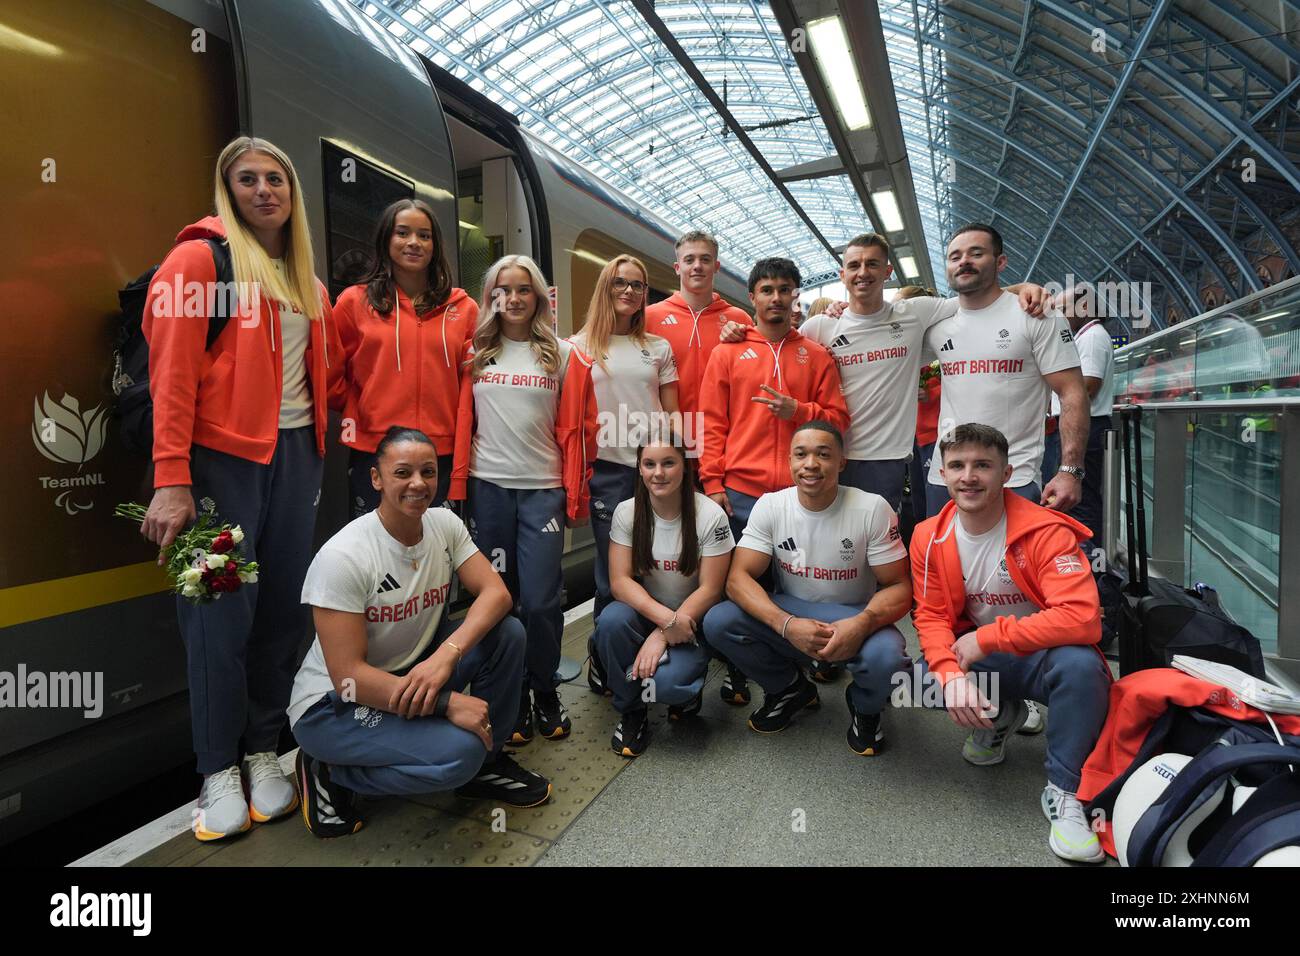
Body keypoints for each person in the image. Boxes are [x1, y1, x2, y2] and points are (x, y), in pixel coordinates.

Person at [140, 136, 344, 841]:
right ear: (229, 191)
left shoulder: (309, 284)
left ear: (293, 194)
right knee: (217, 621)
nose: (265, 190)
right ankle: (215, 770)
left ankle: (264, 751)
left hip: (295, 464)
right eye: (248, 179)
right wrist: (172, 479)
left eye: (277, 179)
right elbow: (171, 376)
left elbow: (333, 379)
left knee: (282, 616)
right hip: (217, 464)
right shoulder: (199, 261)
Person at [291, 428, 551, 837]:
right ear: (376, 479)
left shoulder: (443, 524)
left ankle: (488, 763)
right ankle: (330, 769)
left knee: (508, 634)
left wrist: (446, 654)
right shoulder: (344, 557)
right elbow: (348, 680)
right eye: (402, 472)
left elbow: (496, 594)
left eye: (428, 472)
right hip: (334, 705)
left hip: (411, 671)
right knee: (458, 756)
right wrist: (446, 704)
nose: (418, 483)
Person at [909, 423, 1110, 863]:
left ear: (1007, 473)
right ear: (941, 474)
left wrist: (989, 636)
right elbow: (931, 617)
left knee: (1081, 667)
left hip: (1041, 659)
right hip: (983, 660)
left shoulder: (1046, 532)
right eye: (958, 466)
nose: (969, 477)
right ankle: (999, 714)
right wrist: (949, 676)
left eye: (983, 465)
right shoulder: (927, 534)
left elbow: (1082, 618)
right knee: (907, 679)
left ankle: (1067, 792)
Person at [449, 255, 597, 745]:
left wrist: (574, 490)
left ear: (538, 297)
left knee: (539, 602)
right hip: (487, 488)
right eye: (502, 290)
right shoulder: (476, 354)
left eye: (522, 290)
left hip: (542, 491)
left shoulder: (564, 355)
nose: (512, 299)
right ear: (491, 297)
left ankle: (545, 690)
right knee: (497, 601)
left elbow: (580, 429)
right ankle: (506, 701)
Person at [703, 422, 912, 754]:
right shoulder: (771, 506)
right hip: (792, 614)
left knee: (888, 658)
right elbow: (737, 579)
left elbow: (900, 587)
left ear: (841, 462)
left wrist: (862, 623)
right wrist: (786, 625)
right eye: (801, 454)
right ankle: (787, 688)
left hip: (852, 619)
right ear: (789, 462)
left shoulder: (871, 509)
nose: (811, 464)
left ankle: (864, 705)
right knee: (719, 621)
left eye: (823, 454)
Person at [801, 234, 1047, 514]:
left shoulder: (915, 314)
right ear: (842, 274)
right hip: (826, 454)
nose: (863, 272)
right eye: (854, 265)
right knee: (826, 539)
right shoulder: (819, 328)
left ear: (888, 271)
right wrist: (740, 330)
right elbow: (779, 352)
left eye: (872, 264)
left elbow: (978, 296)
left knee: (873, 544)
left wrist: (1026, 287)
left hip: (885, 459)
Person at [699, 259, 849, 704]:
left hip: (804, 496)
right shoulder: (727, 353)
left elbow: (840, 420)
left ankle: (810, 656)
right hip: (743, 493)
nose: (776, 298)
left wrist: (798, 411)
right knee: (744, 590)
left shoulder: (816, 356)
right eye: (767, 290)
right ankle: (742, 670)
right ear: (753, 298)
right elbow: (711, 423)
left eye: (785, 290)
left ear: (795, 296)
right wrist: (712, 482)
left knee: (799, 585)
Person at [924, 224, 1088, 518]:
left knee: (1012, 564)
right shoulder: (938, 322)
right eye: (955, 256)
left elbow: (1072, 391)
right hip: (946, 478)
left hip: (1015, 477)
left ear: (1000, 262)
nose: (964, 262)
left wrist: (1070, 470)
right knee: (945, 563)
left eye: (976, 253)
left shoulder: (1037, 314)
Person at [334, 199, 478, 515]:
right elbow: (331, 373)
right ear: (386, 239)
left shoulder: (465, 309)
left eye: (424, 235)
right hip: (374, 450)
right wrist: (362, 408)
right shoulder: (353, 302)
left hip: (441, 454)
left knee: (435, 552)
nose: (414, 242)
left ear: (435, 245)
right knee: (374, 552)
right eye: (403, 233)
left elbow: (472, 383)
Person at [595, 436, 734, 757]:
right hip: (652, 616)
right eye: (649, 464)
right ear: (640, 470)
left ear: (685, 468)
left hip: (692, 621)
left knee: (668, 687)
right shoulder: (627, 512)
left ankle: (684, 691)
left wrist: (664, 633)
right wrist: (662, 621)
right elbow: (619, 582)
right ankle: (632, 712)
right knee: (611, 620)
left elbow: (712, 590)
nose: (658, 473)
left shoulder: (710, 515)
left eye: (668, 463)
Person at [572, 255, 679, 623]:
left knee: (652, 565)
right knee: (611, 571)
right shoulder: (576, 347)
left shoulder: (659, 347)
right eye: (620, 282)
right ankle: (606, 652)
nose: (629, 291)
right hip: (604, 472)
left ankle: (651, 643)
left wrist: (683, 463)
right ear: (606, 287)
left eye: (637, 285)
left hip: (652, 471)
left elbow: (672, 414)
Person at [644, 231, 751, 425]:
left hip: (722, 435)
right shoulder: (650, 317)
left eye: (705, 259)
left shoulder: (739, 319)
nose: (697, 266)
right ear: (677, 267)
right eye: (689, 260)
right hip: (667, 437)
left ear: (716, 266)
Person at [1058, 284, 1115, 552]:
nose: (1059, 316)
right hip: (1084, 427)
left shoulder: (1092, 337)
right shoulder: (1083, 335)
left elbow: (1088, 387)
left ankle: (1091, 564)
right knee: (1079, 498)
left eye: (1063, 309)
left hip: (1088, 428)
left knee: (1083, 499)